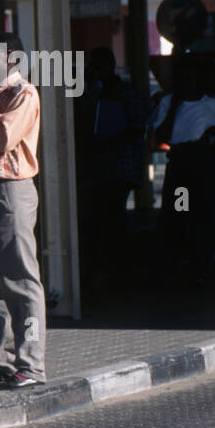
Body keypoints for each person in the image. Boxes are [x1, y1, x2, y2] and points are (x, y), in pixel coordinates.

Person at [0, 34, 47, 391]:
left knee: (21, 279)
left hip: (12, 189)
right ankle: (6, 361)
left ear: (14, 58)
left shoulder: (24, 94)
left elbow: (3, 138)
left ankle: (31, 364)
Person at [151, 54, 215, 285]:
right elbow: (162, 134)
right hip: (180, 168)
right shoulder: (169, 103)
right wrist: (175, 105)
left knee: (202, 218)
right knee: (177, 214)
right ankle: (171, 267)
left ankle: (200, 269)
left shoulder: (210, 105)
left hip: (201, 168)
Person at [77, 47, 148, 292]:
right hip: (98, 170)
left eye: (96, 66)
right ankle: (107, 270)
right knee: (100, 219)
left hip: (119, 168)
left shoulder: (125, 93)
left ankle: (122, 271)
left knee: (113, 219)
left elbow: (138, 128)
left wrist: (110, 139)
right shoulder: (94, 94)